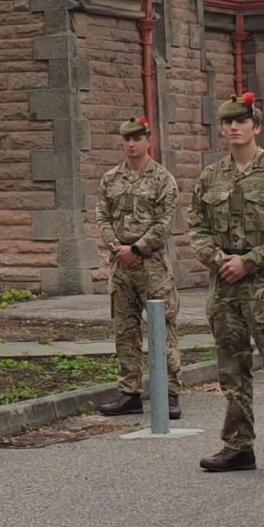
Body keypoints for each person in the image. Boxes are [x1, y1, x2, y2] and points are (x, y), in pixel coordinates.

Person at [189, 92, 264, 481]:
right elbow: (197, 227)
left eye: (241, 121)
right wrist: (219, 259)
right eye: (228, 122)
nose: (234, 128)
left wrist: (251, 260)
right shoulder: (211, 176)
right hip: (224, 283)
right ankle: (238, 445)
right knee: (232, 368)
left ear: (256, 126)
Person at [95, 116, 183, 418]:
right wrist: (117, 248)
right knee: (125, 330)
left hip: (152, 266)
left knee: (162, 329)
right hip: (121, 266)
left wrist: (136, 248)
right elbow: (102, 218)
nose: (131, 145)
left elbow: (164, 223)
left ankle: (169, 392)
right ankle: (129, 392)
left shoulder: (162, 179)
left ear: (149, 141)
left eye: (137, 139)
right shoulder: (110, 179)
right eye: (127, 139)